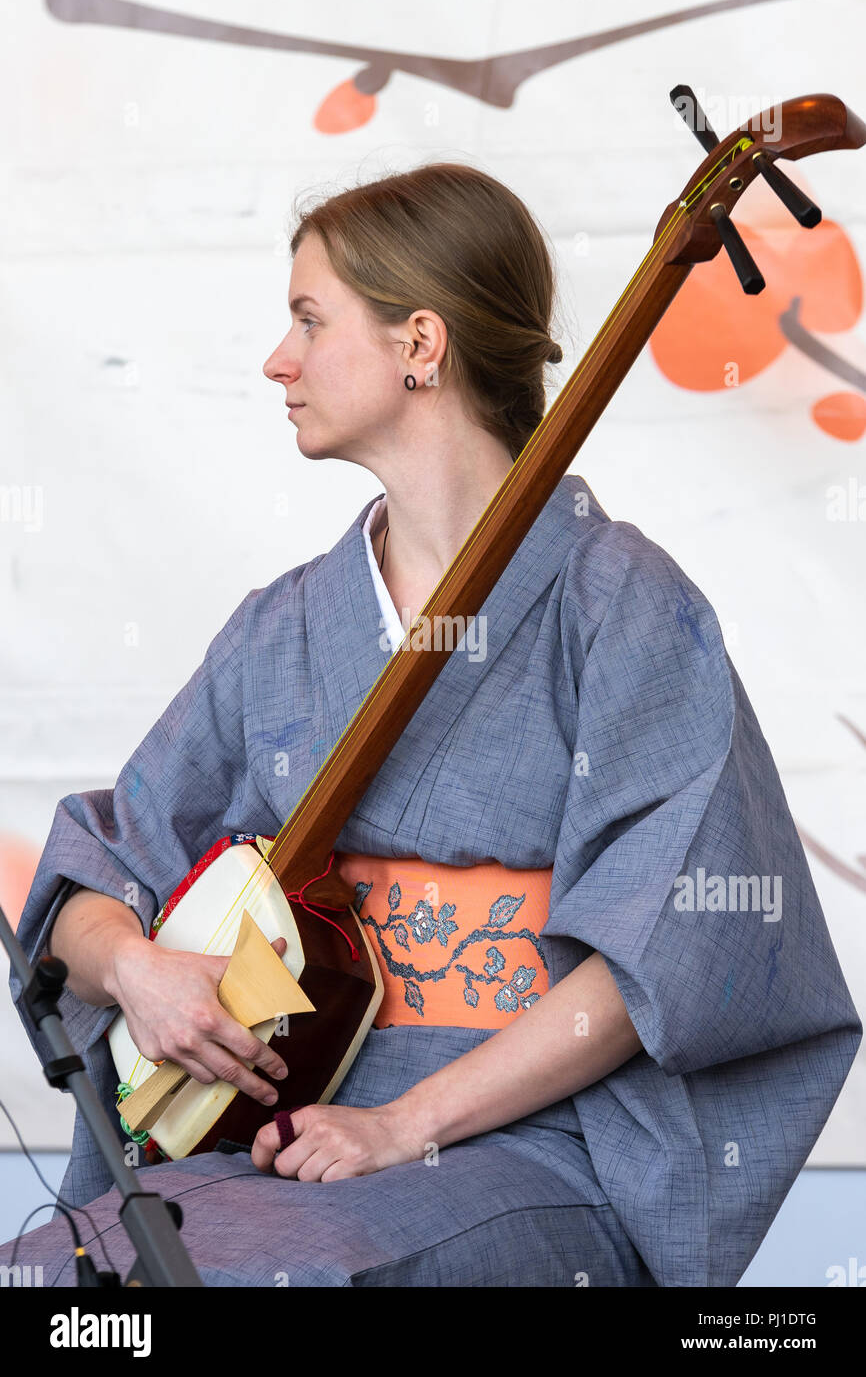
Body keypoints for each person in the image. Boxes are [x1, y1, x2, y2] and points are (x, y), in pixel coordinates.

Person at [1, 163, 860, 1288]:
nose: (277, 358)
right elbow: (93, 876)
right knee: (49, 1283)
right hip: (285, 1140)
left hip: (533, 1147)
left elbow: (664, 949)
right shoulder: (286, 626)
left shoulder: (620, 607)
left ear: (420, 344)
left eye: (309, 319)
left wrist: (405, 1124)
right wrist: (139, 967)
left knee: (278, 1282)